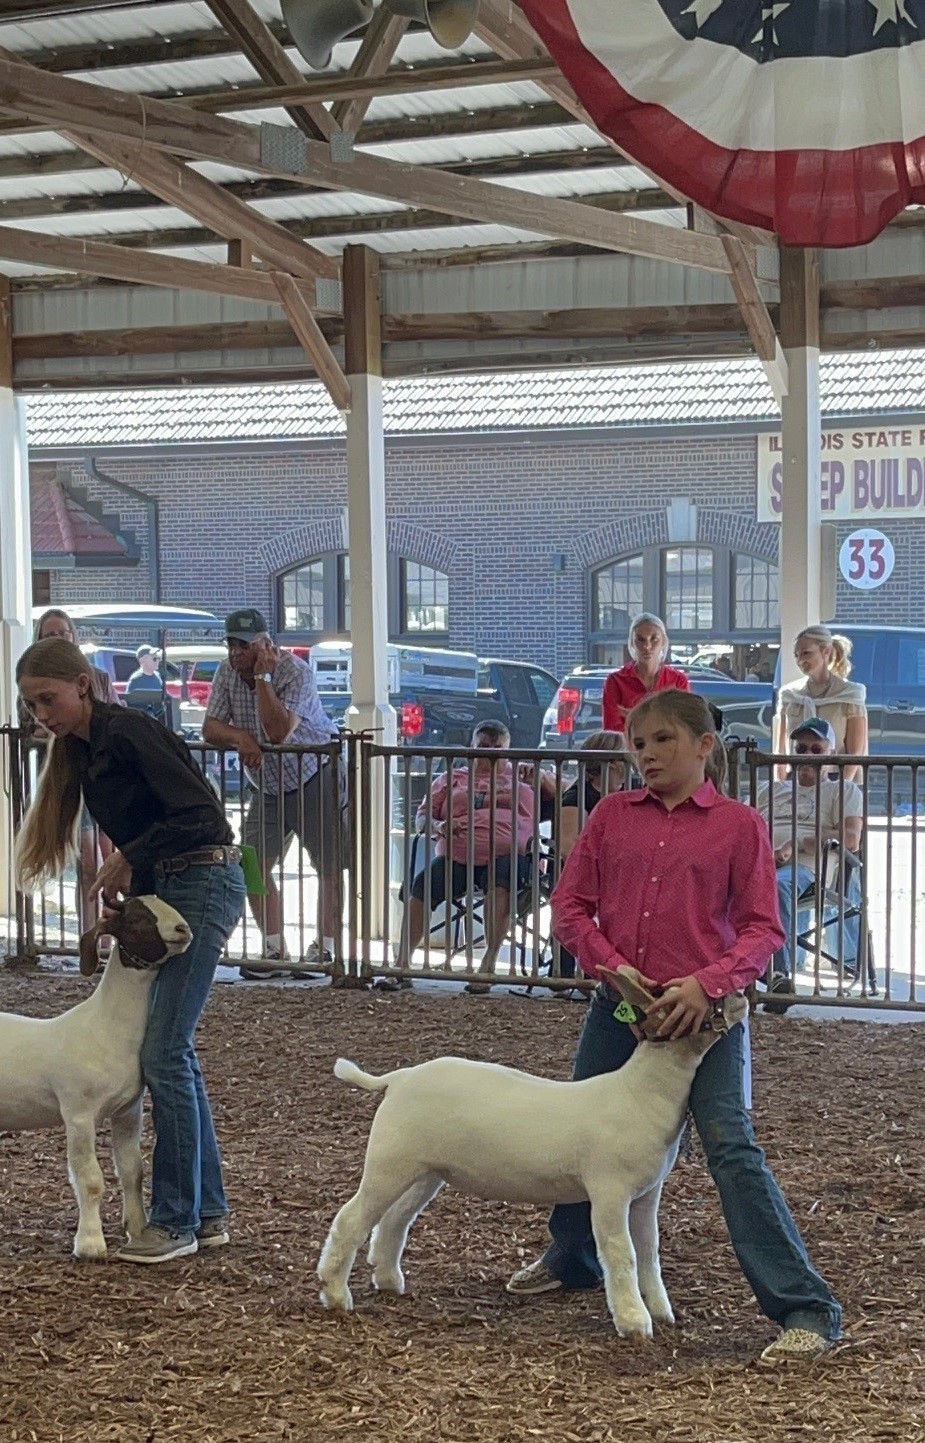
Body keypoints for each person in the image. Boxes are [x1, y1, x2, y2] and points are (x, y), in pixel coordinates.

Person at [505, 688, 842, 1367]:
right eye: (638, 742)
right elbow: (569, 908)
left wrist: (705, 983)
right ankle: (574, 1257)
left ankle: (805, 1307)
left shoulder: (739, 825)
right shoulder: (609, 816)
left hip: (708, 1019)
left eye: (661, 740)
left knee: (730, 1144)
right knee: (579, 1124)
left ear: (702, 745)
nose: (646, 754)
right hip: (622, 1008)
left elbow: (763, 928)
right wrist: (611, 967)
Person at [15, 637, 246, 1264]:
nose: (43, 715)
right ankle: (207, 1210)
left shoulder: (130, 732)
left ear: (82, 684)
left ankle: (175, 1223)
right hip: (175, 883)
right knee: (174, 1051)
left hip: (201, 877)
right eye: (33, 706)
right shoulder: (86, 752)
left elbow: (203, 814)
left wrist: (129, 856)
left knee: (166, 1051)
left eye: (48, 699)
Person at [202, 607, 342, 978]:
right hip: (266, 783)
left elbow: (278, 732)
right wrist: (240, 737)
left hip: (315, 773)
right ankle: (273, 946)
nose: (236, 654)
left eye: (244, 646)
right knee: (252, 861)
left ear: (265, 645)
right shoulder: (226, 672)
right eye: (231, 645)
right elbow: (210, 728)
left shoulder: (296, 672)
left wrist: (263, 677)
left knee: (328, 865)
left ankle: (325, 949)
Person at [386, 720, 534, 995]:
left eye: (496, 748)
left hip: (507, 854)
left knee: (501, 878)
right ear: (472, 748)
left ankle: (488, 962)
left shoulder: (523, 776)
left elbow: (563, 791)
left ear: (507, 749)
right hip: (458, 854)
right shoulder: (452, 777)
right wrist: (438, 826)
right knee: (422, 886)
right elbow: (421, 817)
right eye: (483, 747)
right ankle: (402, 964)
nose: (489, 754)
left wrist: (541, 775)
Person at [18, 608, 123, 930]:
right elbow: (28, 729)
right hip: (71, 779)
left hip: (105, 777)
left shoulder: (100, 679)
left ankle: (115, 933)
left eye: (64, 633)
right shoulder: (34, 683)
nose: (60, 639)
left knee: (113, 855)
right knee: (87, 860)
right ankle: (89, 933)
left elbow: (116, 718)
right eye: (51, 635)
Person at [756, 716, 864, 1012]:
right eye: (800, 748)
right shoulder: (769, 789)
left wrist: (798, 843)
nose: (806, 755)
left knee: (777, 885)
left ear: (830, 753)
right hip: (757, 863)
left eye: (816, 749)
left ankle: (778, 975)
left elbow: (852, 838)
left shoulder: (842, 790)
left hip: (805, 871)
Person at [552, 730, 626, 993]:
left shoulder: (630, 794)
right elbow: (567, 846)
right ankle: (578, 972)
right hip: (586, 872)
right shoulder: (576, 797)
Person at [776, 625, 868, 781]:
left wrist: (841, 788)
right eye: (796, 655)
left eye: (806, 653)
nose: (800, 660)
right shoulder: (790, 695)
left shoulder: (850, 694)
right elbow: (781, 750)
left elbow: (855, 753)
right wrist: (782, 783)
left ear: (826, 651)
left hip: (835, 778)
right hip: (797, 778)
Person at [601, 613, 690, 733]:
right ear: (631, 642)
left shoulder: (678, 680)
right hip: (627, 751)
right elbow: (612, 732)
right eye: (640, 639)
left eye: (654, 639)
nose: (647, 646)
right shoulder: (615, 681)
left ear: (663, 642)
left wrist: (635, 717)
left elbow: (682, 728)